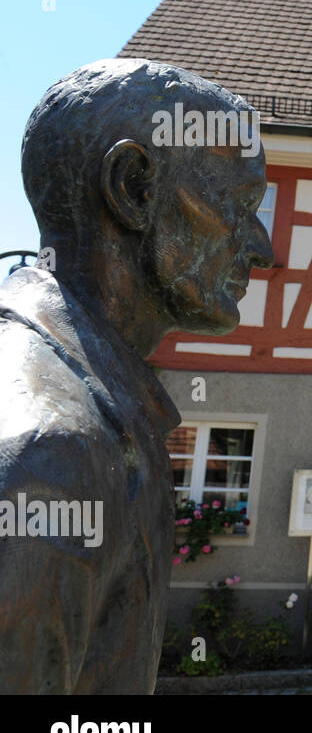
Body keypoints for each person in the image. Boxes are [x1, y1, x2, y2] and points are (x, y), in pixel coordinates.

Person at [0, 59, 273, 693]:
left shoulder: (102, 410)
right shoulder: (51, 451)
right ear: (133, 188)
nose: (260, 246)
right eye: (239, 204)